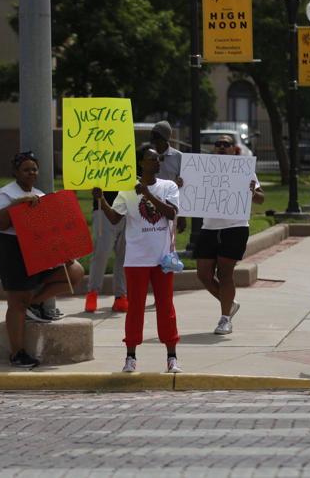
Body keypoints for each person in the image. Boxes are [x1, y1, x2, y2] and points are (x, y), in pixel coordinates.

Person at [0, 151, 85, 368]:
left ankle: (35, 303)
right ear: (15, 172)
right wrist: (19, 204)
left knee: (75, 273)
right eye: (26, 169)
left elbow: (49, 229)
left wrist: (64, 252)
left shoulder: (41, 195)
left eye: (34, 169)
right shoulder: (6, 194)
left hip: (37, 248)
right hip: (11, 250)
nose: (31, 173)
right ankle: (17, 353)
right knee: (16, 303)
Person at [94, 146, 182, 374]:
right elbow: (114, 219)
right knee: (135, 310)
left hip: (162, 259)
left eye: (159, 158)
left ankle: (172, 357)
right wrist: (102, 200)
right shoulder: (126, 190)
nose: (158, 162)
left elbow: (171, 214)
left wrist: (147, 194)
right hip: (136, 260)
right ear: (141, 163)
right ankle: (130, 357)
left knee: (166, 307)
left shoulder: (168, 186)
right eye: (152, 159)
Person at [192, 134, 264, 335]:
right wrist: (183, 184)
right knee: (203, 274)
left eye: (227, 144)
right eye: (218, 144)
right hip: (209, 228)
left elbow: (261, 199)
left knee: (225, 273)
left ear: (234, 149)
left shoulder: (243, 170)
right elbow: (190, 191)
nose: (222, 147)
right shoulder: (203, 169)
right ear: (214, 148)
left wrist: (252, 192)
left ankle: (225, 319)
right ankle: (230, 304)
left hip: (235, 227)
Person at [84, 189, 128, 313]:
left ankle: (121, 296)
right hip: (102, 208)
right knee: (101, 253)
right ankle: (92, 292)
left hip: (128, 209)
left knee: (124, 256)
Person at [150, 120, 186, 233]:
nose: (154, 140)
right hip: (148, 205)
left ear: (164, 138)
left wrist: (183, 215)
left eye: (157, 136)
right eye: (153, 136)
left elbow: (183, 187)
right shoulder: (147, 155)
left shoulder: (179, 157)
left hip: (169, 207)